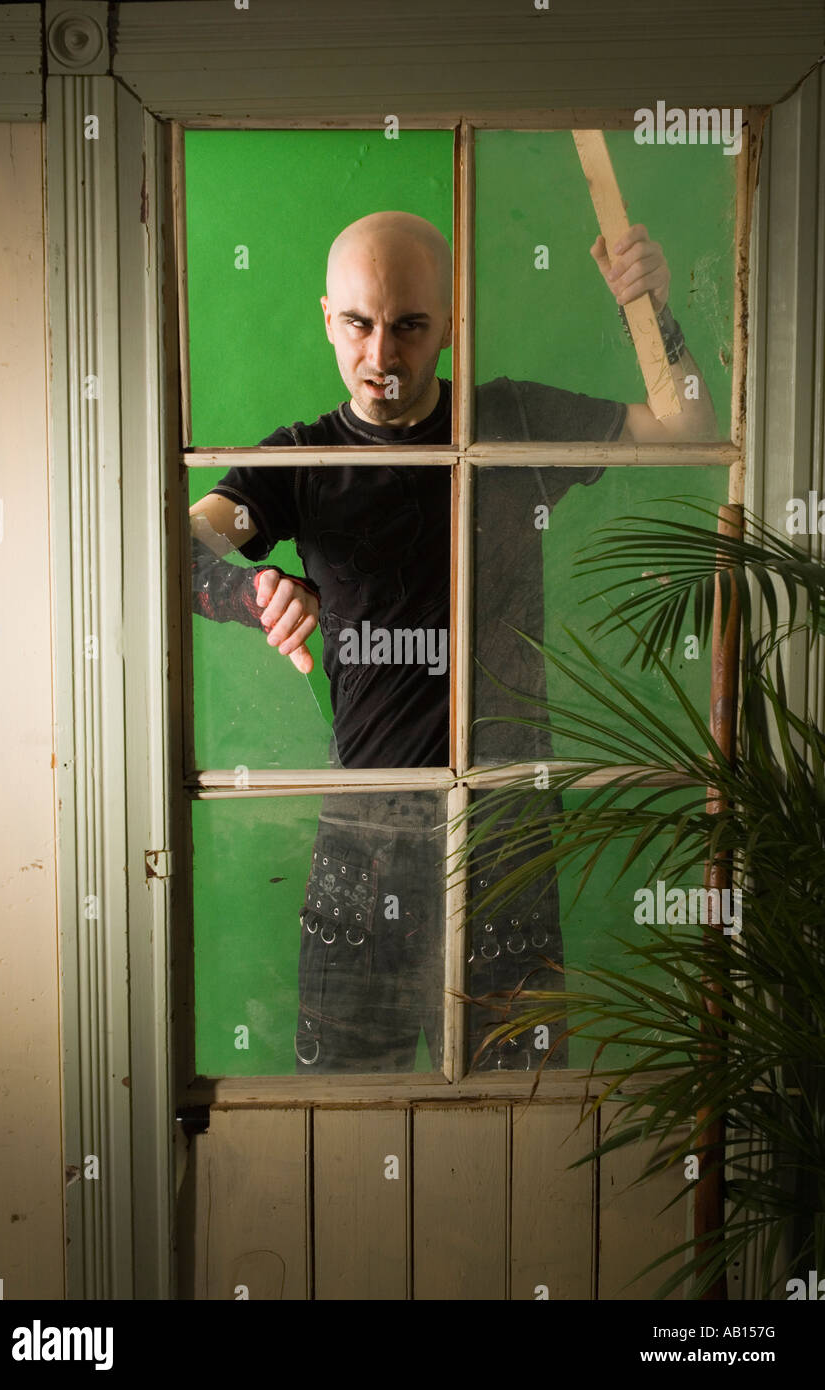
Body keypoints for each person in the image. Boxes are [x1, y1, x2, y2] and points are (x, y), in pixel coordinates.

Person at [189, 210, 717, 1074]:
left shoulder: (508, 422)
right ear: (327, 318)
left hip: (503, 832)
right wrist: (252, 593)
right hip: (363, 837)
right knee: (348, 1119)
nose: (382, 358)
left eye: (410, 327)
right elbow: (179, 548)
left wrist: (648, 307)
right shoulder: (300, 461)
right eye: (358, 325)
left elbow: (685, 428)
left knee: (519, 1118)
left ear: (449, 326)